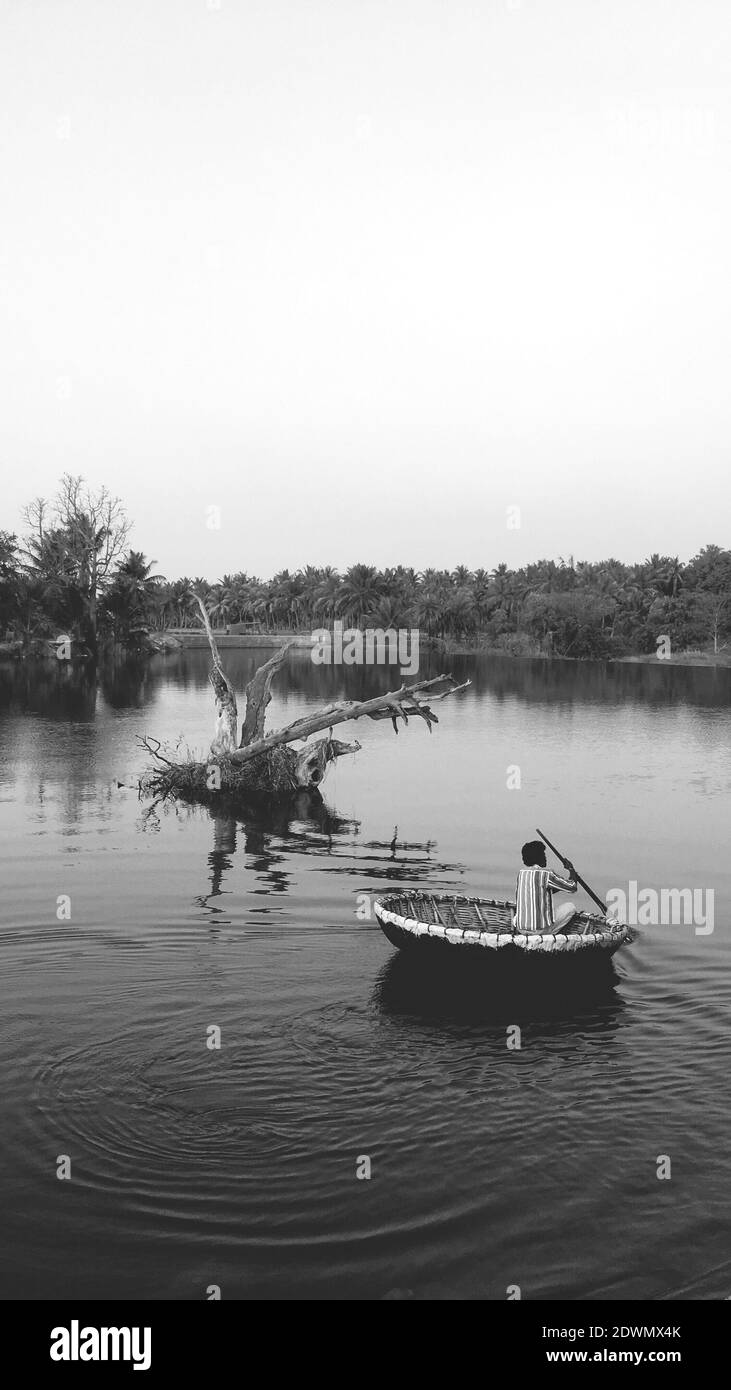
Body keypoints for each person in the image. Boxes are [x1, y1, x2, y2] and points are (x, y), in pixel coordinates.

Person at [514, 839, 578, 934]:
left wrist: (559, 886)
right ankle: (549, 934)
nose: (545, 858)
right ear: (538, 857)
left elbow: (539, 891)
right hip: (539, 930)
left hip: (520, 928)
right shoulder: (547, 874)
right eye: (543, 855)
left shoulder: (522, 873)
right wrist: (571, 870)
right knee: (571, 907)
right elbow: (572, 887)